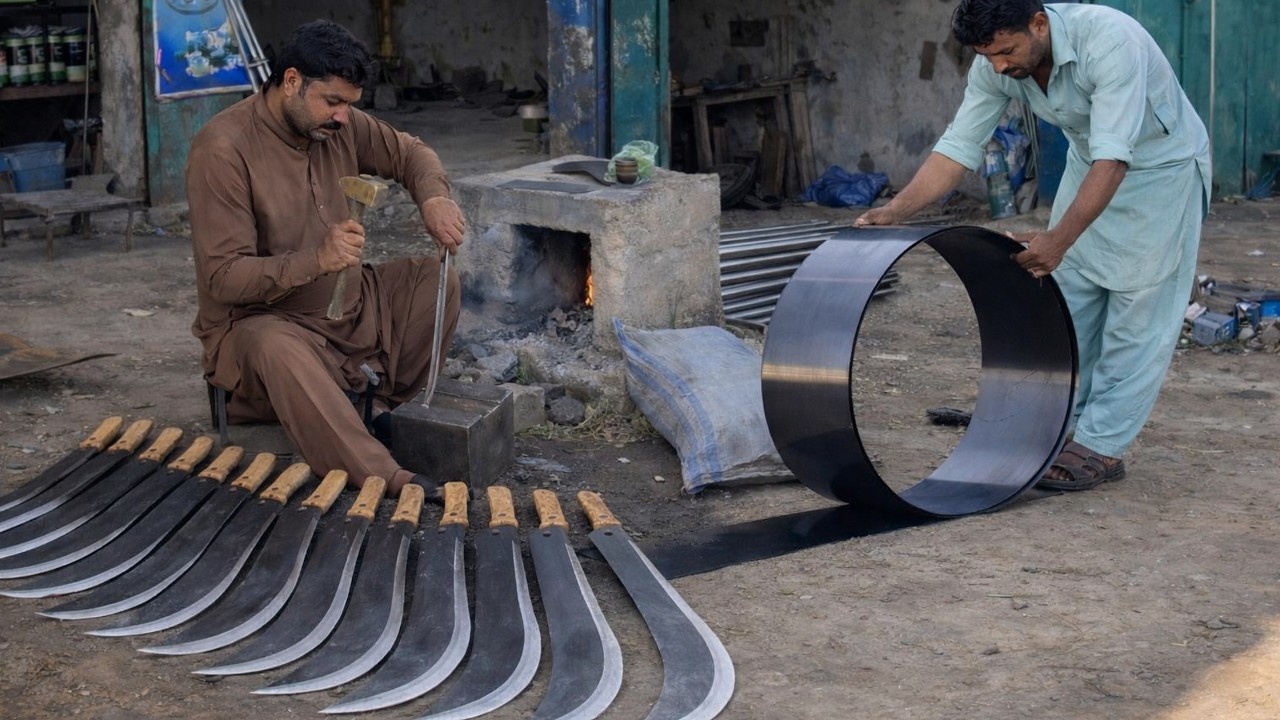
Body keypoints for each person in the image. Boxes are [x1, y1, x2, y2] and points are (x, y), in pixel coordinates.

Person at [855, 0, 1211, 491]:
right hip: (1091, 167)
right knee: (1070, 303)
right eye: (988, 56)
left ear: (1039, 24)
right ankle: (1059, 420)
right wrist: (897, 210)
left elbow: (1115, 157)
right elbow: (958, 147)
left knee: (1138, 314)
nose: (999, 66)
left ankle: (1103, 445)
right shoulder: (996, 64)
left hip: (1160, 172)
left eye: (1006, 51)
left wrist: (1059, 239)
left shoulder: (1110, 42)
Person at [187, 19, 467, 500]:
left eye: (350, 104)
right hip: (265, 324)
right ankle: (382, 473)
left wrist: (433, 198)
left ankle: (371, 407)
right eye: (332, 101)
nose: (343, 116)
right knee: (275, 345)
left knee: (433, 280)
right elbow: (223, 277)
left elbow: (411, 153)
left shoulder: (339, 125)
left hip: (348, 310)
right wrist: (317, 259)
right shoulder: (222, 148)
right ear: (291, 81)